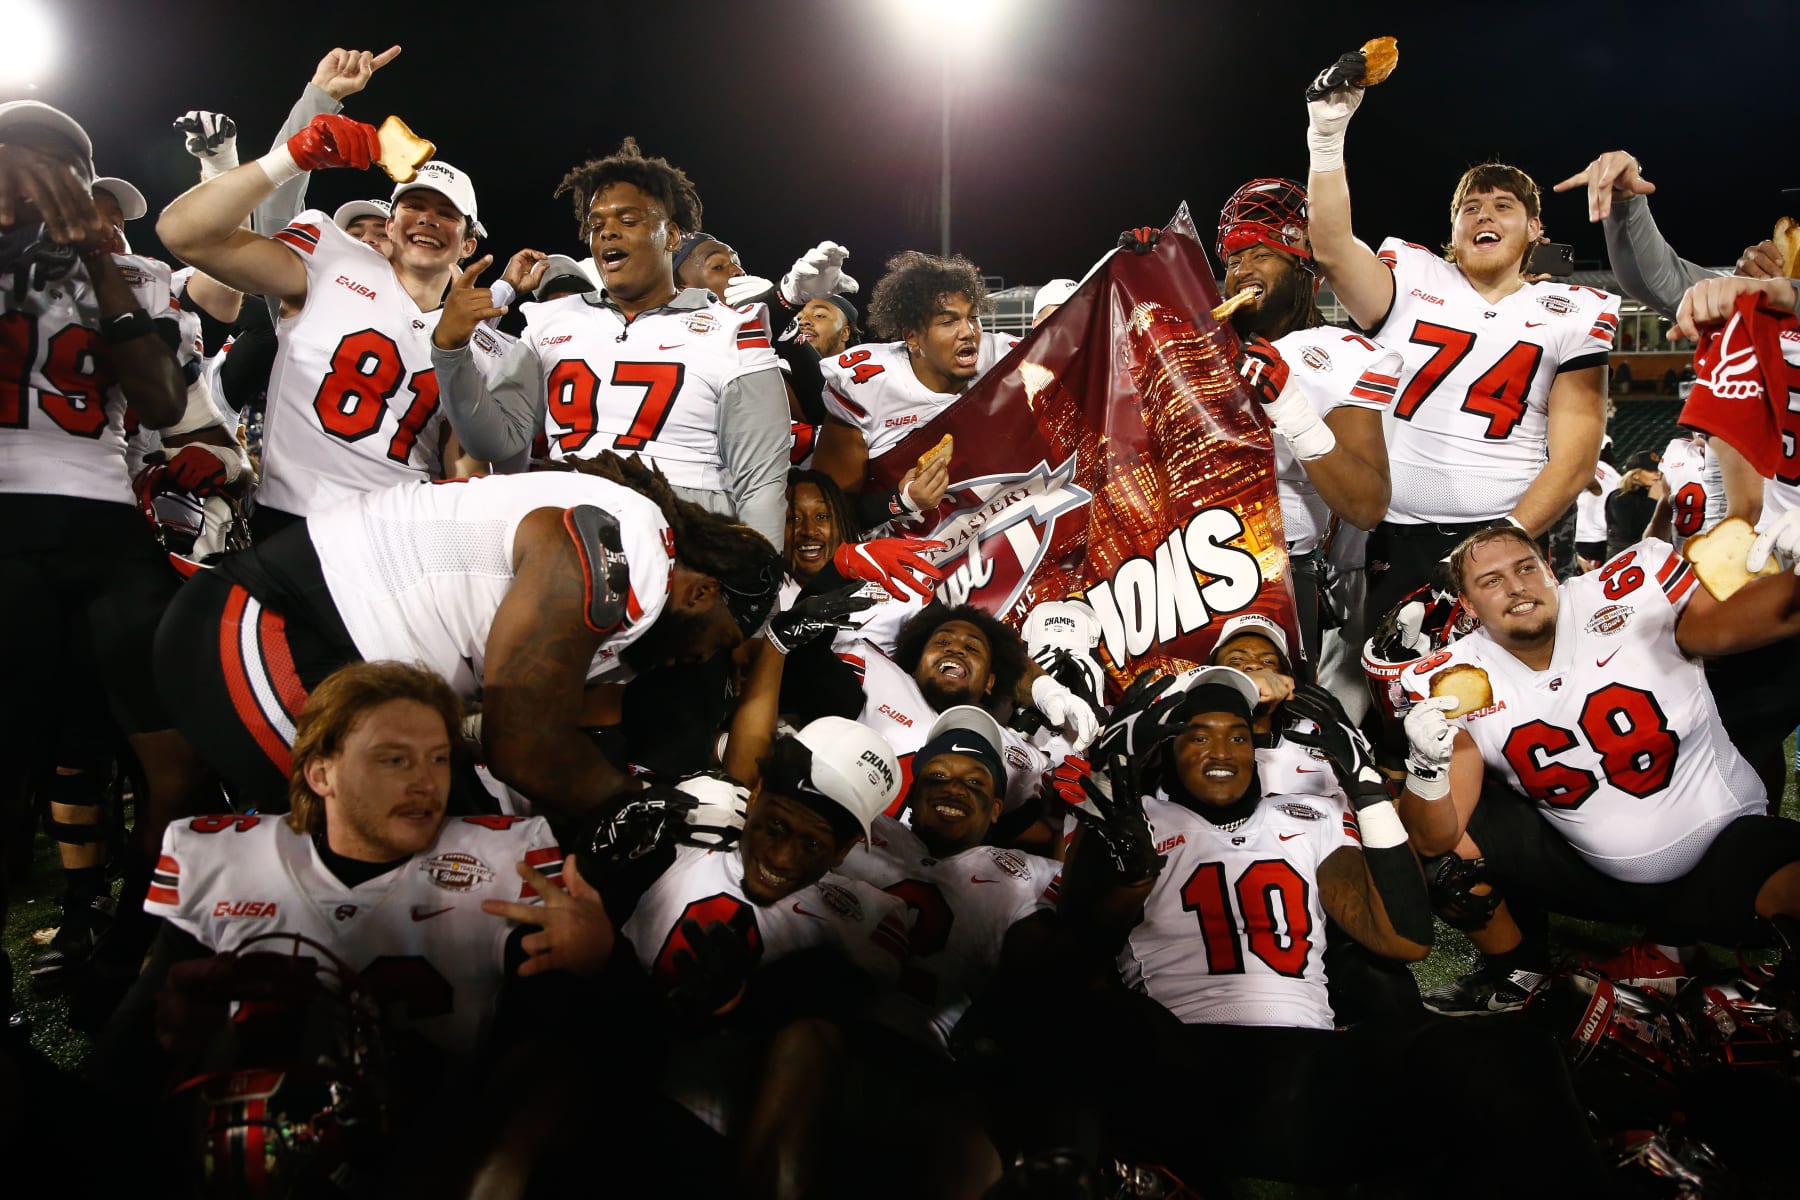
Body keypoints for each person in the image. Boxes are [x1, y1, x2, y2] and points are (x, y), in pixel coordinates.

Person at [1019, 665, 1607, 1193]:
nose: (1220, 748)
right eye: (1198, 735)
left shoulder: (1308, 817)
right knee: (1076, 1020)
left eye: (1237, 734)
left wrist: (1365, 787)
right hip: (1179, 1057)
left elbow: (1406, 938)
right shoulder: (1134, 820)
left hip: (1308, 1067)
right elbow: (1074, 958)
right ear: (1169, 749)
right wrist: (1125, 866)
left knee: (1511, 1048)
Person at [155, 452, 780, 819]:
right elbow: (527, 747)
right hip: (271, 629)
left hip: (314, 645)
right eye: (722, 642)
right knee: (414, 853)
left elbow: (551, 736)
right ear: (703, 593)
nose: (699, 659)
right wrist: (644, 809)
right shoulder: (632, 550)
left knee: (472, 847)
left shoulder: (633, 561)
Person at [0, 100, 234, 981]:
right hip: (6, 518)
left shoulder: (131, 272)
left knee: (173, 757)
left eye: (65, 171)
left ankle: (127, 947)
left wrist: (96, 255)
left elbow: (166, 405)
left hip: (104, 522)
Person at [1395, 525, 1800, 1012]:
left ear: (1550, 570)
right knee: (1435, 841)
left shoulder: (1631, 585)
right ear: (1468, 605)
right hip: (1584, 876)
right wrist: (1425, 766)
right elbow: (1434, 840)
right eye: (1492, 581)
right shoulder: (1450, 676)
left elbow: (1724, 631)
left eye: (1526, 568)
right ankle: (1520, 974)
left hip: (1724, 853)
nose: (1516, 586)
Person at [1302, 49, 1618, 623]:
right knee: (1392, 696)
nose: (1483, 215)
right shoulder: (1412, 278)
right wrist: (1326, 134)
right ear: (1452, 228)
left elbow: (1575, 459)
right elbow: (1331, 248)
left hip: (1505, 538)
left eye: (1503, 206)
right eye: (1469, 208)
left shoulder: (1570, 309)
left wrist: (1505, 541)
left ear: (1534, 229)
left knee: (1506, 693)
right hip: (1395, 540)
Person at [157, 60, 487, 537]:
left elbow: (464, 469)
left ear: (468, 242)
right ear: (390, 225)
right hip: (290, 520)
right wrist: (296, 148)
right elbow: (184, 232)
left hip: (400, 534)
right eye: (413, 206)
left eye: (446, 213)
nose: (428, 220)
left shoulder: (482, 343)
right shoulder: (330, 262)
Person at [428, 138, 792, 547]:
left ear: (671, 235)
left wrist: (758, 593)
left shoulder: (733, 330)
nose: (607, 232)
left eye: (629, 220)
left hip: (687, 544)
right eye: (596, 224)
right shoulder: (550, 322)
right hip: (568, 538)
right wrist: (450, 349)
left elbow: (761, 484)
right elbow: (494, 441)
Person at [1215, 177, 1397, 661]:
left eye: (1261, 254)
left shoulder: (1343, 355)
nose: (1242, 269)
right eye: (1234, 260)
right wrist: (1138, 280)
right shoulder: (1198, 346)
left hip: (1279, 577)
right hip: (1172, 571)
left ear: (1305, 272)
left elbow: (1367, 503)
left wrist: (1290, 409)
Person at [812, 251, 1018, 529]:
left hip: (999, 540)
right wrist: (901, 499)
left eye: (974, 317)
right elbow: (825, 513)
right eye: (948, 322)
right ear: (912, 338)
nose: (968, 331)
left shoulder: (1006, 359)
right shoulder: (868, 384)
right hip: (904, 555)